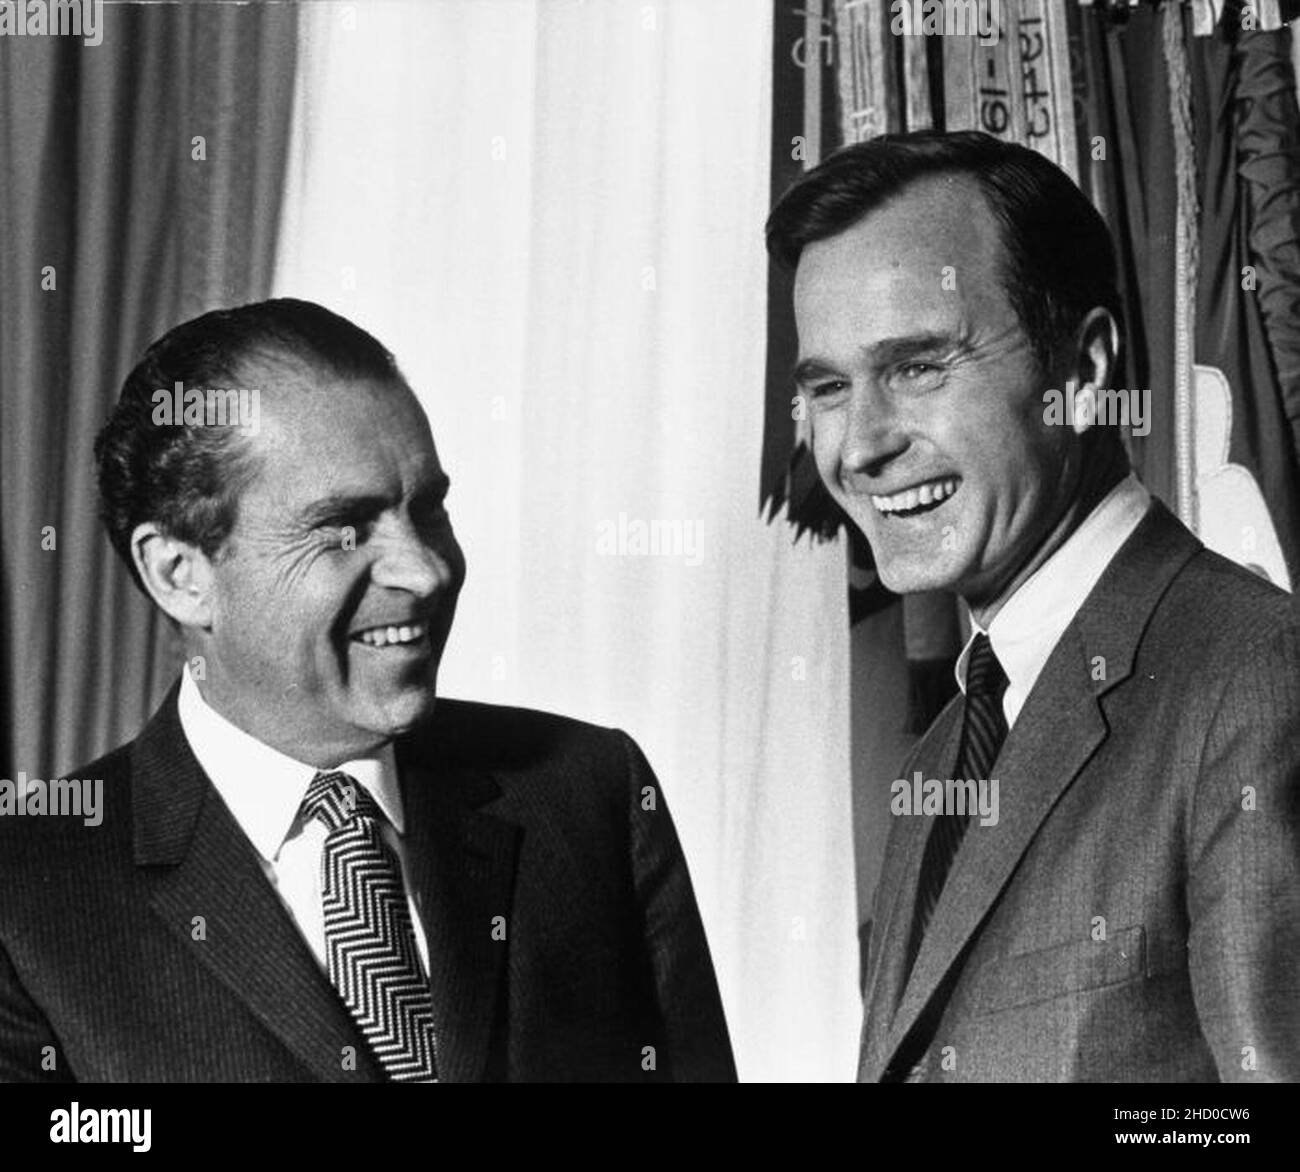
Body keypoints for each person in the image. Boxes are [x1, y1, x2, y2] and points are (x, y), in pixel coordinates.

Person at [0, 299, 735, 1083]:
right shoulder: (27, 898)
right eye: (345, 529)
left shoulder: (589, 793)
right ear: (181, 576)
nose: (424, 571)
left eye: (428, 509)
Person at [767, 130, 1300, 1082]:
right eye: (828, 388)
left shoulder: (1257, 680)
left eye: (918, 366)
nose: (859, 447)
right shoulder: (949, 751)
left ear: (1086, 371)